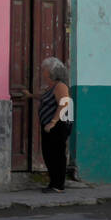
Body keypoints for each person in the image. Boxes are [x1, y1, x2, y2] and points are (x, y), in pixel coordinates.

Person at [40, 57, 73, 193]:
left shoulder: (60, 86)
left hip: (58, 126)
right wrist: (30, 96)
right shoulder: (52, 86)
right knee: (49, 154)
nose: (42, 72)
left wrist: (52, 122)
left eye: (44, 69)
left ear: (51, 71)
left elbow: (64, 103)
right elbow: (46, 98)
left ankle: (58, 186)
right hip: (51, 126)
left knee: (56, 154)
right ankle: (53, 183)